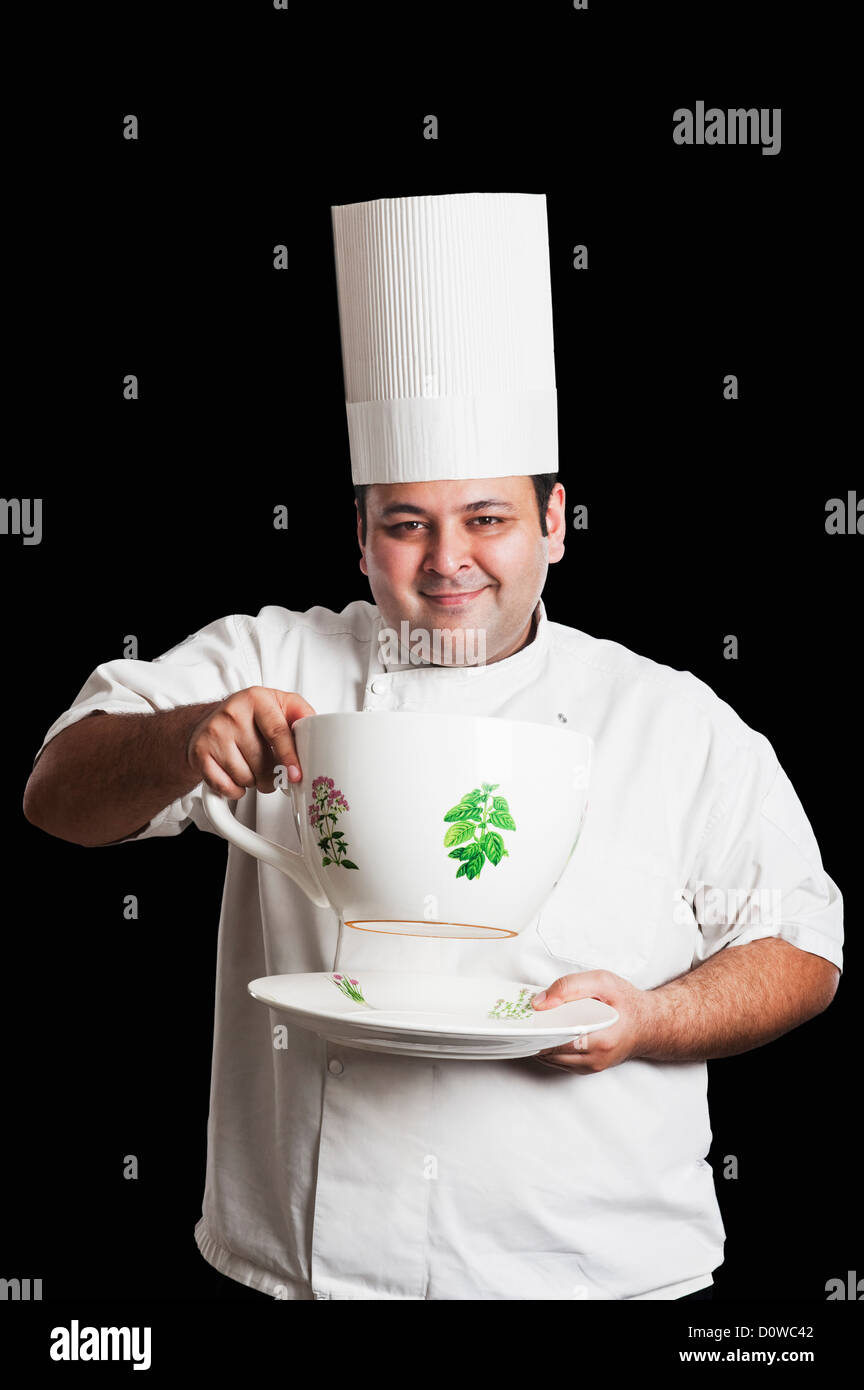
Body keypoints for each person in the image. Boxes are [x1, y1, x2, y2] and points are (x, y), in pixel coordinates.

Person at [23, 194, 842, 1301]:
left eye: (488, 518)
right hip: (305, 1277)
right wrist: (184, 739)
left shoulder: (673, 717)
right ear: (360, 535)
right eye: (407, 522)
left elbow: (802, 945)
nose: (449, 559)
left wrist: (651, 1020)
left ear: (557, 522)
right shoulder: (276, 657)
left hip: (599, 1278)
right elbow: (56, 793)